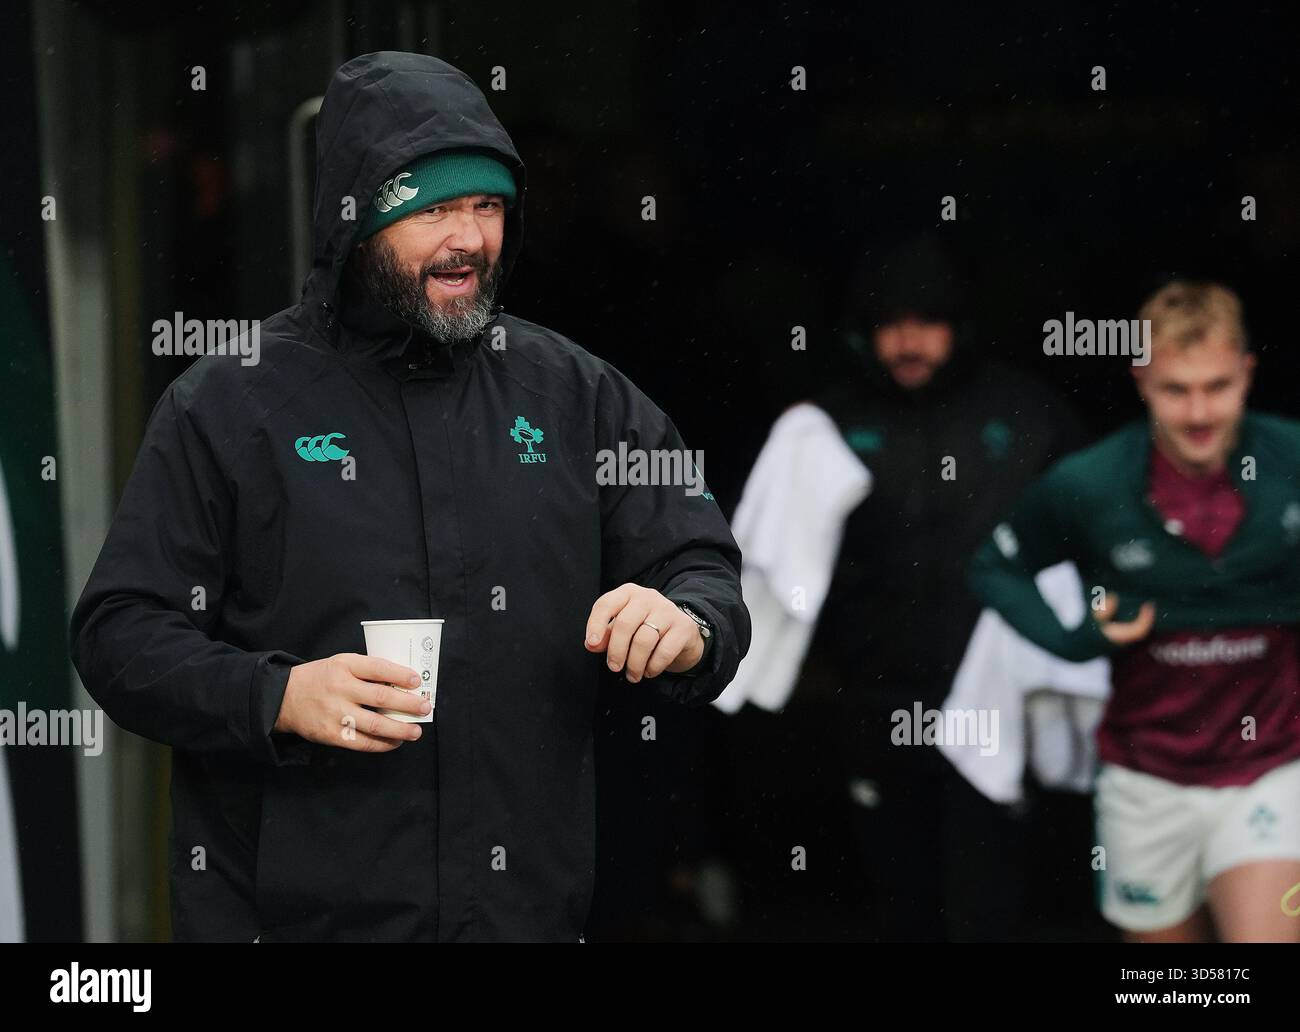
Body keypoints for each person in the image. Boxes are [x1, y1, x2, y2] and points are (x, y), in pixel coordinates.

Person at [69, 51, 750, 943]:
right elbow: (118, 633)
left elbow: (699, 560)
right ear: (356, 224)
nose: (468, 237)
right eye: (432, 209)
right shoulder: (230, 404)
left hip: (524, 920)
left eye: (488, 206)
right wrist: (275, 697)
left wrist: (688, 622)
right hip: (287, 926)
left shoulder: (575, 395)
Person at [723, 235, 1087, 940]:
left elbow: (1085, 544)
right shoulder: (825, 426)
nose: (907, 341)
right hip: (877, 703)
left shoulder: (1027, 417)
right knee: (900, 897)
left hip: (996, 705)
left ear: (961, 326)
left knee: (991, 898)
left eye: (926, 321)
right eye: (889, 324)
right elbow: (765, 557)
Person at [969, 280, 1300, 943]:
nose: (1200, 412)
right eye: (1177, 390)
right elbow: (995, 566)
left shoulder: (1291, 458)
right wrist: (1074, 640)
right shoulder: (1089, 483)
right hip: (1145, 778)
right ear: (1141, 378)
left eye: (1218, 386)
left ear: (1247, 373)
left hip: (1268, 768)